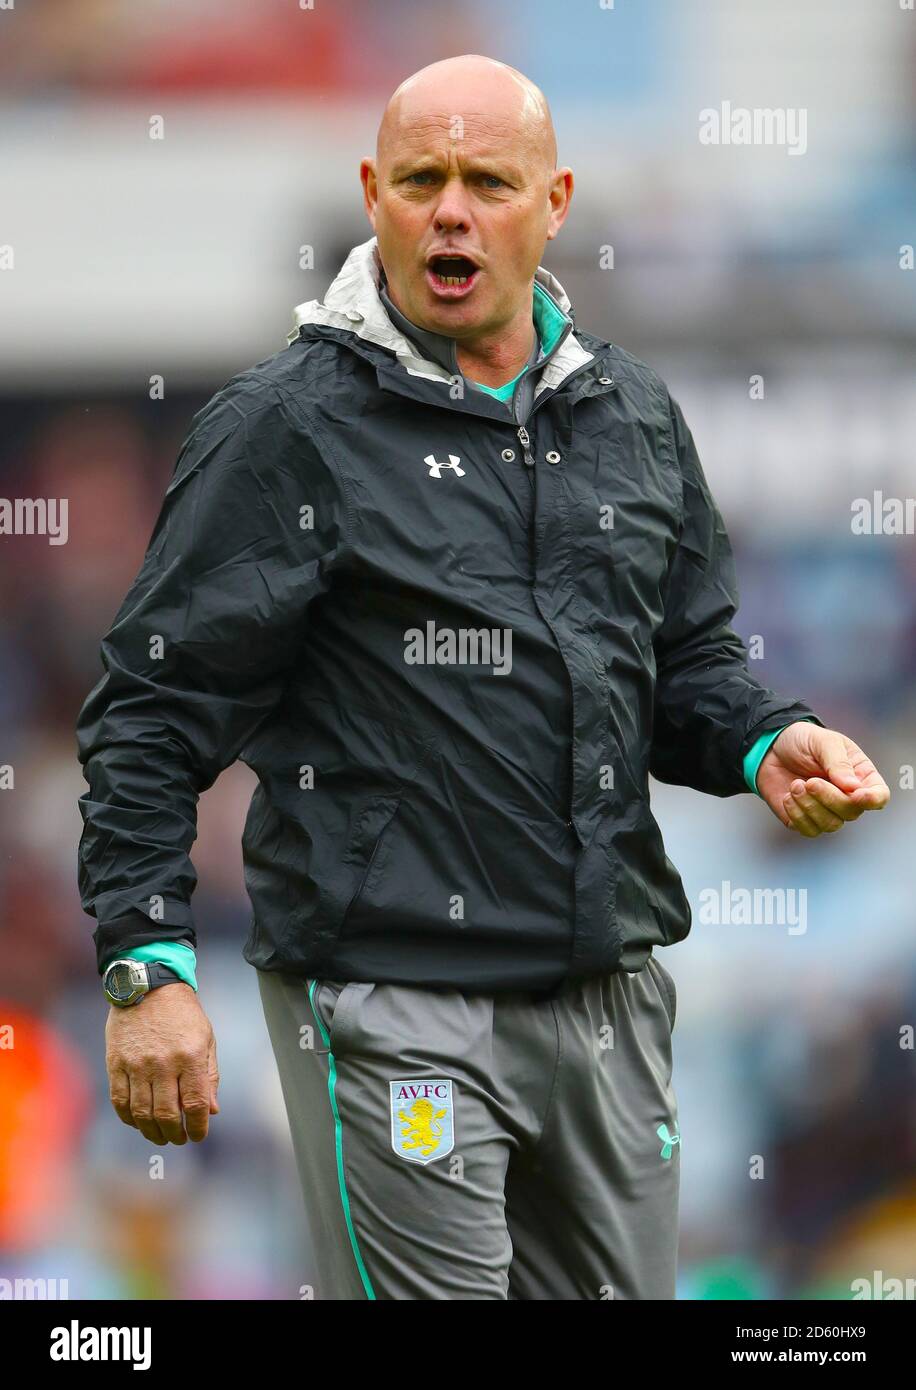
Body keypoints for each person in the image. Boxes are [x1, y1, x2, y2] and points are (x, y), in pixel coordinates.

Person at [76, 55, 890, 1300]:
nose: (449, 210)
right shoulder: (283, 428)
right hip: (394, 1001)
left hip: (607, 1000)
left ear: (553, 201)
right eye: (420, 179)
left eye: (486, 181)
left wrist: (763, 741)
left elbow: (685, 664)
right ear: (373, 194)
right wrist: (149, 966)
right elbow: (150, 707)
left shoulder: (631, 415)